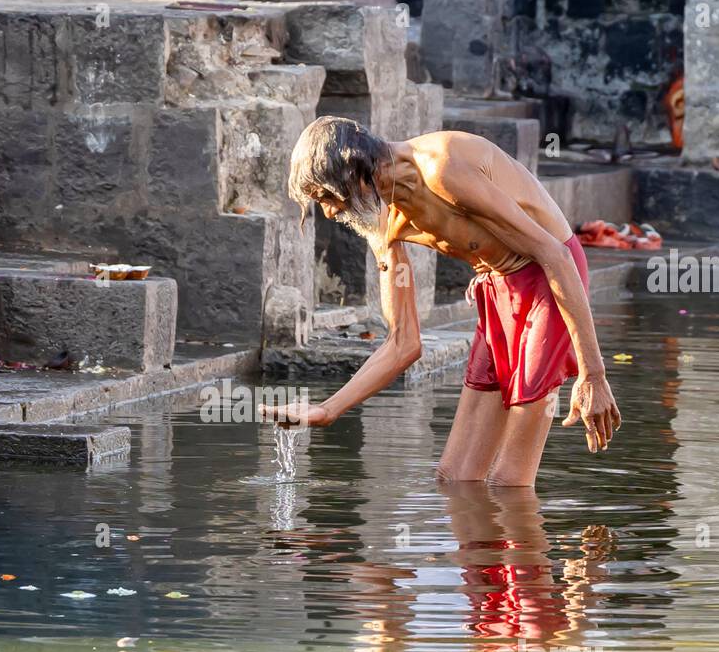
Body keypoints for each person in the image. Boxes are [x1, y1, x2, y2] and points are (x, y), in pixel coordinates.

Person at [260, 116, 621, 487]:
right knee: (456, 478)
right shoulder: (382, 221)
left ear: (354, 172)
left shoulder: (442, 168)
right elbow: (403, 343)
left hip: (552, 277)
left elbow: (555, 255)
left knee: (508, 484)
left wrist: (594, 375)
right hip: (499, 286)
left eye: (327, 197)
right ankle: (477, 547)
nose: (331, 212)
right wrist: (326, 410)